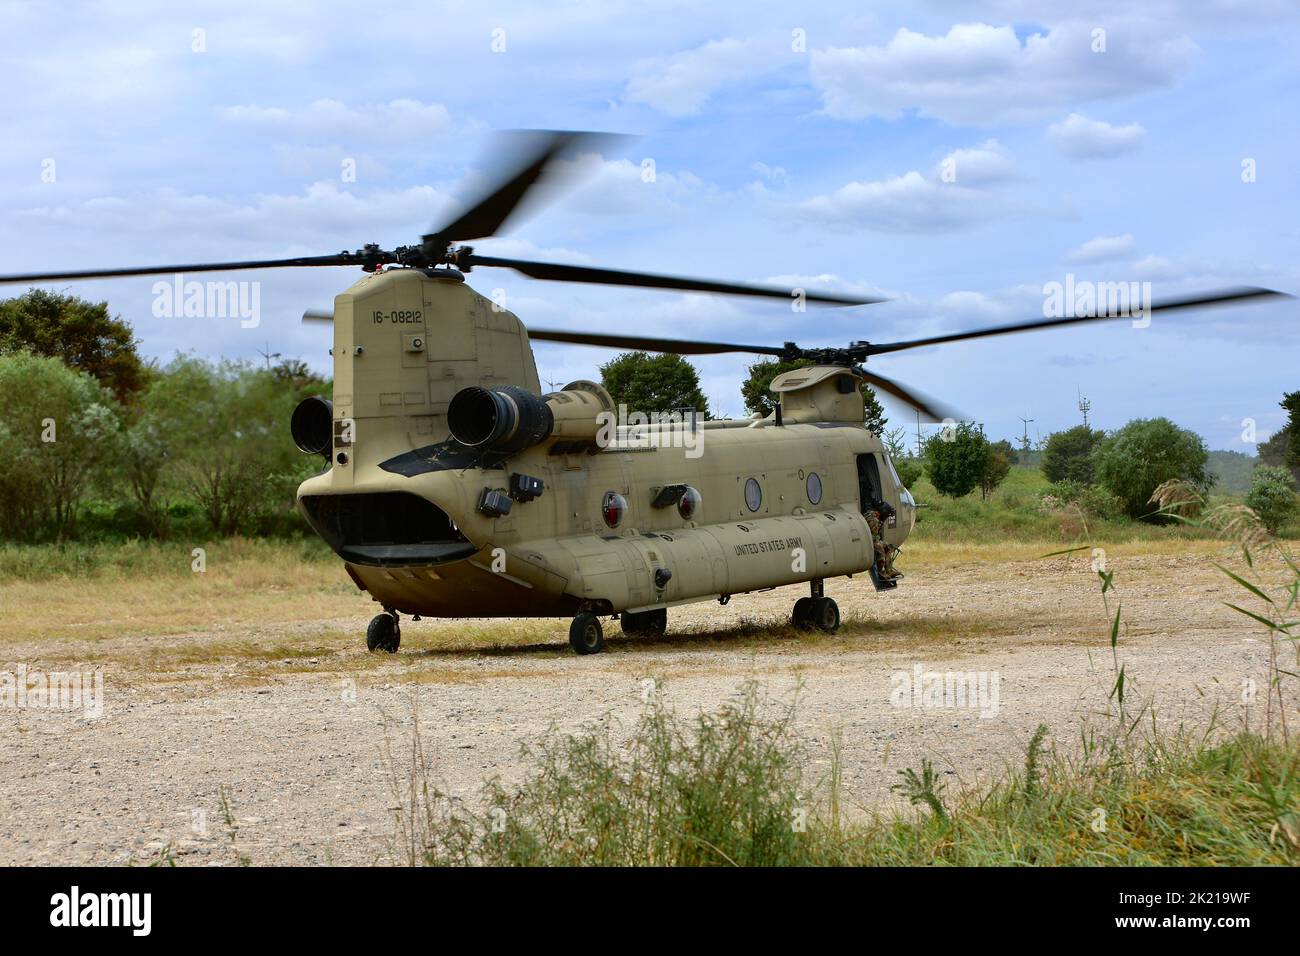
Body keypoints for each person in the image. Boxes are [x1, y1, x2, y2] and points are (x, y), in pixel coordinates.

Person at [865, 499, 903, 580]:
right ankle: (881, 572)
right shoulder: (872, 518)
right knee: (879, 547)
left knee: (887, 546)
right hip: (868, 542)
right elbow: (874, 535)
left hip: (872, 541)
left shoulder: (876, 517)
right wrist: (881, 522)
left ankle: (889, 570)